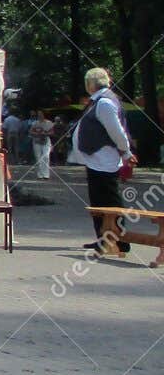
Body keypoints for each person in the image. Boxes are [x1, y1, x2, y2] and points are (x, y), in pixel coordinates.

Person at [69, 68, 136, 255]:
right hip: (97, 159)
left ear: (90, 84)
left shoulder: (104, 102)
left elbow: (118, 133)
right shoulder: (99, 100)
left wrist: (126, 153)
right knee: (99, 203)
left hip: (104, 160)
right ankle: (102, 238)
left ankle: (121, 242)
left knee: (109, 202)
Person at [27, 108, 55, 180]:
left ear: (44, 114)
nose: (39, 115)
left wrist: (45, 133)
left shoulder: (49, 123)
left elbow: (52, 132)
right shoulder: (35, 123)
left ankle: (46, 174)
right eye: (38, 114)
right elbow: (30, 132)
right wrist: (36, 133)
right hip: (37, 141)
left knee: (46, 156)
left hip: (46, 141)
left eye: (41, 114)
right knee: (38, 157)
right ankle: (40, 174)